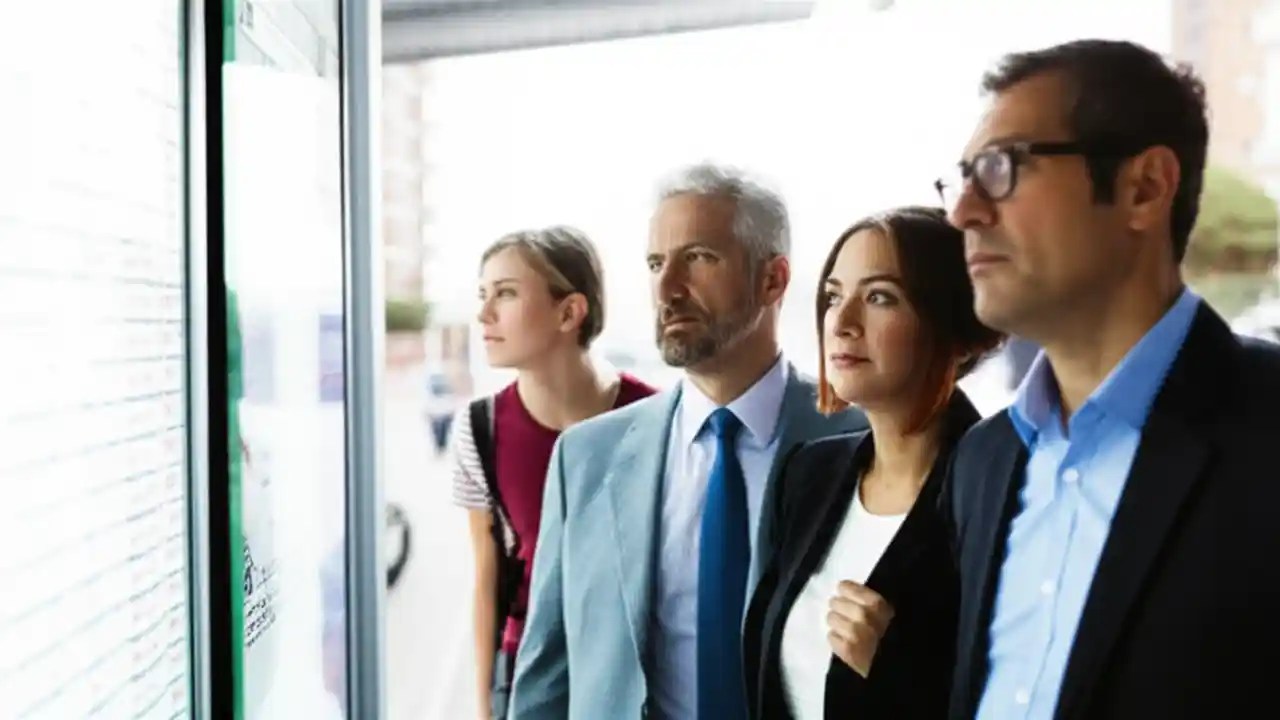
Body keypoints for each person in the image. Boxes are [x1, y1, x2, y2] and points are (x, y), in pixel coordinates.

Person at [937, 39, 1280, 720]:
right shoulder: (982, 462)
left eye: (1002, 168)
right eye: (962, 177)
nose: (963, 212)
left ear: (1144, 189)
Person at [509, 163, 867, 720]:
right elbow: (545, 676)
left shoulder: (858, 442)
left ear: (773, 279)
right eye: (656, 263)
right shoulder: (585, 458)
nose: (668, 288)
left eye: (699, 258)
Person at [742, 207, 1002, 720]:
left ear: (953, 324)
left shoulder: (1000, 496)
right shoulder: (809, 472)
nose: (841, 322)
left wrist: (898, 673)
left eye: (880, 297)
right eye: (834, 296)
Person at [449, 226, 657, 720]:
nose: (484, 315)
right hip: (526, 669)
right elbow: (487, 576)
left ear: (570, 312)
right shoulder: (480, 429)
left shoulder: (655, 419)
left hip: (631, 672)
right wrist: (485, 705)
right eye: (483, 295)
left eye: (506, 293)